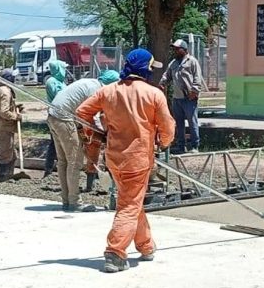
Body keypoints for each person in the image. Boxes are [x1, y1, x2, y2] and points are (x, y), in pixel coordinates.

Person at [77, 49, 175, 273]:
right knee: (129, 205)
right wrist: (164, 142)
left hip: (114, 158)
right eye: (151, 67)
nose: (152, 71)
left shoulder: (107, 92)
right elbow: (168, 127)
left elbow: (82, 112)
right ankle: (115, 253)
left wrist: (96, 134)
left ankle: (146, 245)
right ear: (144, 69)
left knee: (131, 201)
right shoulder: (153, 94)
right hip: (138, 159)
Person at [47, 70, 120, 212]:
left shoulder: (90, 83)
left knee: (64, 162)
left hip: (53, 116)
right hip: (64, 119)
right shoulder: (97, 90)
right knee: (75, 162)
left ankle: (66, 200)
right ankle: (75, 202)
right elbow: (91, 115)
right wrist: (104, 133)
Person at [159, 39, 204, 154]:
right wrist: (162, 83)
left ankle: (194, 146)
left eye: (177, 49)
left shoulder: (192, 61)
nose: (175, 50)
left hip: (189, 98)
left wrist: (194, 91)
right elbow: (166, 75)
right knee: (179, 123)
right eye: (174, 48)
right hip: (177, 98)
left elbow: (197, 78)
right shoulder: (173, 63)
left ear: (184, 49)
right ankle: (181, 146)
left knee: (192, 122)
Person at [0, 69, 23, 182]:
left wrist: (14, 107)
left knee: (12, 154)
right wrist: (15, 116)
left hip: (3, 126)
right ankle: (3, 177)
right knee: (5, 153)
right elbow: (4, 112)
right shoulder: (5, 92)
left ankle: (10, 176)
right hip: (5, 126)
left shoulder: (1, 89)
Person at [43, 60, 67, 177]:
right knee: (55, 143)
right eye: (63, 68)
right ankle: (49, 169)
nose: (65, 71)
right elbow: (60, 96)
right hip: (57, 115)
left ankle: (57, 168)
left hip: (64, 115)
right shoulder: (52, 82)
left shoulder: (60, 81)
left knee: (60, 143)